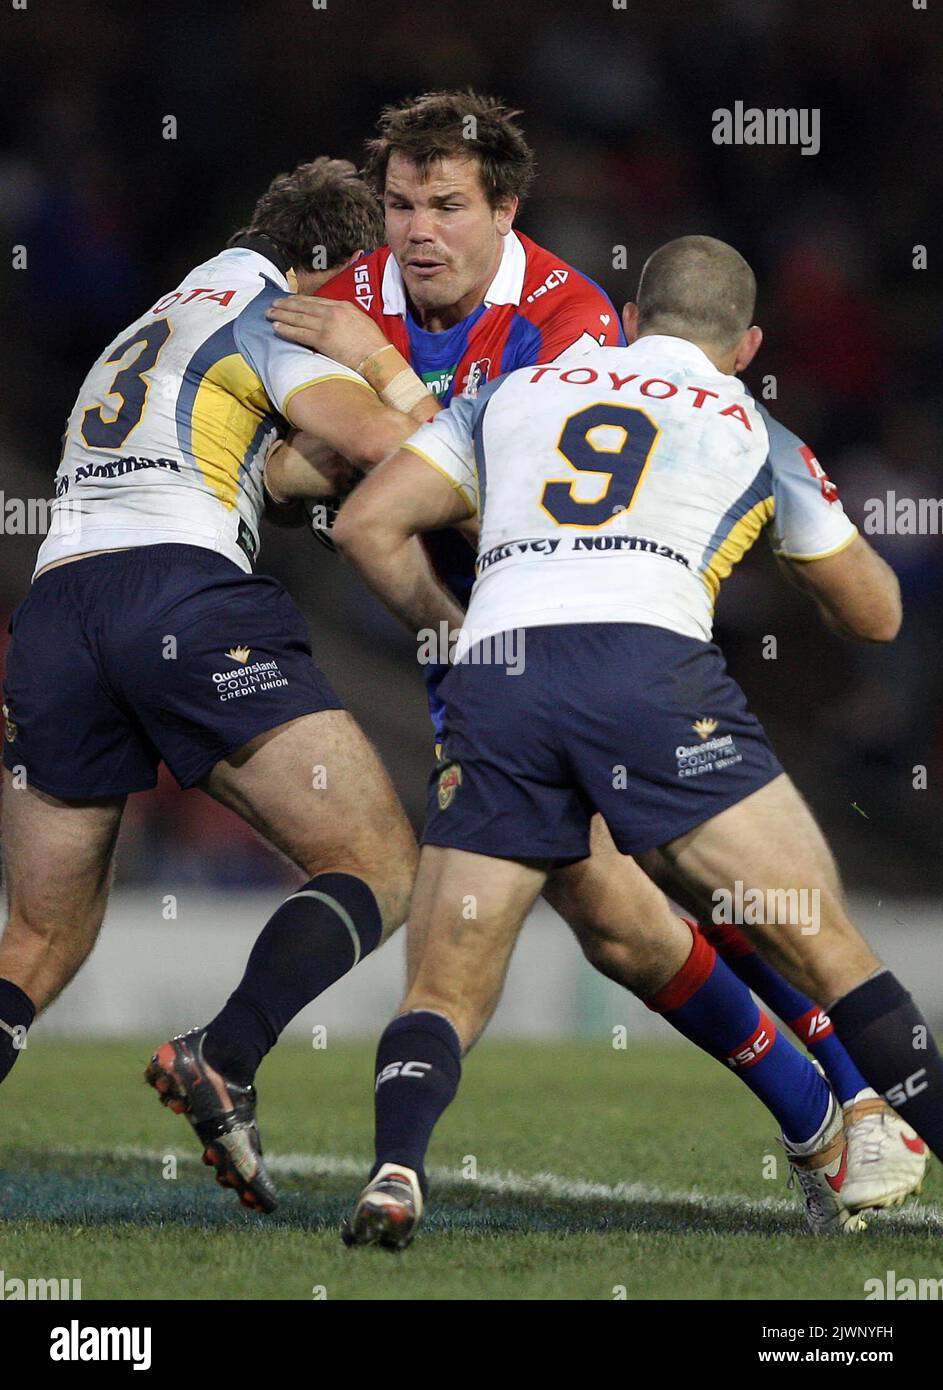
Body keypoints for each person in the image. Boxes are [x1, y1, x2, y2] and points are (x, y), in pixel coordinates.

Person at [266, 95, 923, 1218]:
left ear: (508, 217)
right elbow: (877, 616)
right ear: (747, 349)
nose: (419, 232)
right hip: (625, 657)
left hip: (505, 662)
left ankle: (840, 1116)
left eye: (446, 207)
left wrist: (369, 410)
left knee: (624, 914)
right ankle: (847, 1115)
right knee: (714, 914)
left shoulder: (549, 342)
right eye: (401, 207)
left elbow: (339, 493)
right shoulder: (740, 413)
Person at [0, 158, 440, 1213]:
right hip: (182, 596)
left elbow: (272, 469)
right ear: (327, 270)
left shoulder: (154, 317)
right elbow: (392, 444)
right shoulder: (272, 310)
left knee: (37, 937)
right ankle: (226, 1052)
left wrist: (310, 479)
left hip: (55, 614)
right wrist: (386, 367)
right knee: (376, 860)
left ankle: (216, 1062)